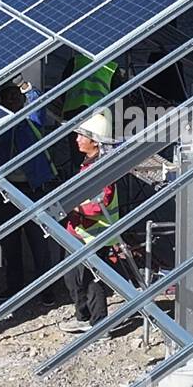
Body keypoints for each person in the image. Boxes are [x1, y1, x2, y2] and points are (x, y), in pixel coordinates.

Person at [0, 85, 58, 306]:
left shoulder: (32, 120)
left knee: (38, 241)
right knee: (10, 242)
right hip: (6, 191)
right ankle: (14, 285)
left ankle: (45, 288)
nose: (13, 101)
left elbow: (39, 102)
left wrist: (30, 89)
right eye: (8, 98)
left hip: (33, 190)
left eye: (16, 96)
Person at [59, 111, 120, 334]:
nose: (77, 139)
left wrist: (71, 206)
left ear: (94, 141)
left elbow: (99, 205)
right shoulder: (89, 163)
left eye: (81, 136)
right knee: (73, 279)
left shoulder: (103, 169)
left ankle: (99, 326)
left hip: (96, 236)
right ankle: (83, 316)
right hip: (80, 233)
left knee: (92, 282)